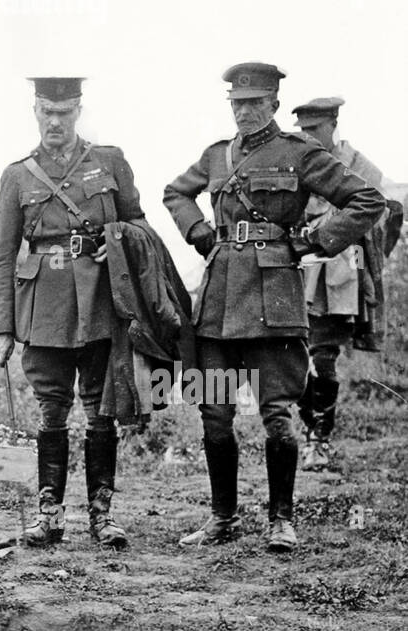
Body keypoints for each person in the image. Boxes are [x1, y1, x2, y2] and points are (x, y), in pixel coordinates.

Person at [164, 63, 384, 552]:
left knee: (277, 413)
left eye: (255, 104)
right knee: (213, 412)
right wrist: (200, 235)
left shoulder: (299, 153)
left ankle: (281, 520)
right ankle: (222, 519)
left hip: (275, 302)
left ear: (274, 106)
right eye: (238, 104)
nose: (245, 112)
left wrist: (316, 241)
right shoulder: (216, 156)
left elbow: (366, 200)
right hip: (218, 304)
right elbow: (176, 192)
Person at [0, 78, 145, 548]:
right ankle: (50, 515)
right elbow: (2, 254)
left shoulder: (109, 161)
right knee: (51, 409)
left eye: (63, 112)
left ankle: (102, 515)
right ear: (34, 111)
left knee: (100, 410)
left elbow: (139, 224)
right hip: (43, 308)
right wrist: (2, 327)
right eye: (46, 112)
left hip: (98, 300)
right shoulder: (18, 175)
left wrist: (114, 239)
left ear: (78, 110)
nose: (54, 121)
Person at [291, 97, 391, 471]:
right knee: (292, 360)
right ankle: (308, 428)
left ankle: (320, 437)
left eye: (315, 129)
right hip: (299, 270)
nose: (309, 137)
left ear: (333, 124)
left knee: (324, 356)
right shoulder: (297, 162)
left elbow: (377, 207)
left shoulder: (359, 166)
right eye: (303, 131)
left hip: (340, 274)